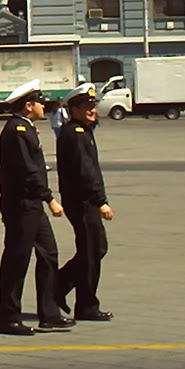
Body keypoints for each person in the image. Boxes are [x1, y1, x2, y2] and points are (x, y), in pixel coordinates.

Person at [0, 79, 70, 336]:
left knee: (49, 254)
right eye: (40, 102)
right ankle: (8, 316)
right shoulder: (17, 130)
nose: (43, 107)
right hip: (22, 204)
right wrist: (50, 199)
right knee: (17, 258)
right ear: (29, 106)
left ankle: (49, 314)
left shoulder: (24, 129)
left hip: (31, 204)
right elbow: (28, 171)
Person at [55, 84, 113, 322]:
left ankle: (63, 288)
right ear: (74, 109)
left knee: (93, 249)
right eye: (86, 106)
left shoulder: (81, 131)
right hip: (83, 201)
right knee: (93, 250)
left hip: (82, 200)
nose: (92, 110)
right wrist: (101, 201)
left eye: (93, 105)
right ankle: (79, 299)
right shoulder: (76, 134)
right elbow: (85, 172)